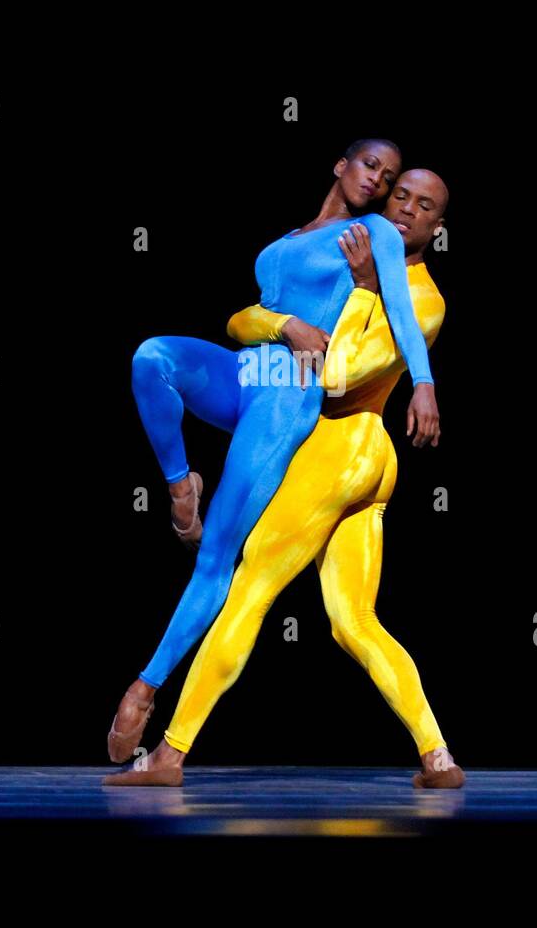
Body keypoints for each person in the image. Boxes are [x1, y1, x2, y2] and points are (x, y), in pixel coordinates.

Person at [106, 170, 464, 788]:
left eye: (423, 205)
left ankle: (168, 756)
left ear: (439, 228)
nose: (405, 208)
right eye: (399, 196)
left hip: (343, 445)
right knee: (354, 622)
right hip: (368, 461)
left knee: (248, 587)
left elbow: (337, 374)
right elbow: (247, 322)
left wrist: (365, 289)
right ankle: (439, 759)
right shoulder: (350, 262)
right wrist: (281, 321)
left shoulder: (422, 299)